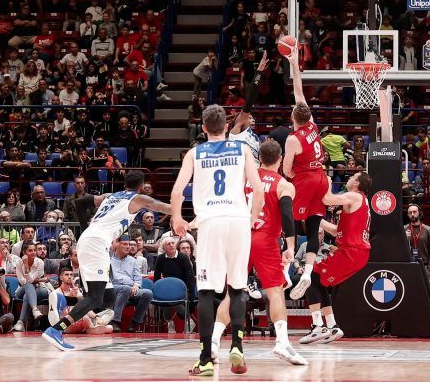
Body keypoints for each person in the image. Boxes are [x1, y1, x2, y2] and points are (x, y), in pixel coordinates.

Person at [170, 104, 263, 376]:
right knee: (237, 288)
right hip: (238, 220)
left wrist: (177, 218)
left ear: (203, 128)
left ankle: (206, 358)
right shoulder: (242, 149)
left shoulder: (195, 153)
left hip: (210, 221)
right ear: (225, 127)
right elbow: (258, 190)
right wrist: (252, 217)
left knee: (207, 293)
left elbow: (178, 191)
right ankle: (237, 345)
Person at [42, 170, 172, 351]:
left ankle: (90, 318)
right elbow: (163, 207)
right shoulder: (138, 199)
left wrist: (83, 227)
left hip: (89, 239)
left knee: (107, 297)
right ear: (141, 187)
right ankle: (56, 330)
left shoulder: (110, 196)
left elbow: (80, 202)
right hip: (96, 243)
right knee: (96, 298)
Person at [210, 140, 306, 366]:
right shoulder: (283, 184)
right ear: (280, 159)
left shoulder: (244, 179)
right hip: (265, 240)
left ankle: (213, 343)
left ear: (259, 158)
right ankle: (282, 342)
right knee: (275, 292)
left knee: (231, 293)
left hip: (239, 237)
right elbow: (287, 217)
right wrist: (290, 247)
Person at [298, 171, 372, 346]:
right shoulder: (358, 202)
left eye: (353, 177)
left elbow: (327, 199)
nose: (349, 178)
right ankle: (331, 326)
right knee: (319, 282)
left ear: (357, 184)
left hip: (352, 252)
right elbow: (337, 231)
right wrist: (315, 219)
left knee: (311, 277)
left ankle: (317, 326)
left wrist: (326, 182)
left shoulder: (354, 196)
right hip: (354, 253)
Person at [281, 49, 330, 302]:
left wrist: (292, 172)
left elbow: (287, 170)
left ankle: (284, 269)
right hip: (322, 177)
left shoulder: (293, 138)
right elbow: (299, 91)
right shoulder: (312, 122)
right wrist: (294, 64)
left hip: (306, 180)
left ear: (293, 117)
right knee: (313, 228)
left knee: (285, 219)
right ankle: (308, 270)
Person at [110, 236, 153, 332]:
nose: (128, 247)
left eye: (129, 244)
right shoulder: (109, 260)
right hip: (114, 288)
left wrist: (136, 286)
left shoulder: (133, 261)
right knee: (125, 288)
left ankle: (134, 322)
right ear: (117, 245)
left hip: (130, 288)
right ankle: (115, 321)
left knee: (147, 293)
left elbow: (138, 278)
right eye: (125, 244)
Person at [405, 204, 430, 271]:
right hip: (408, 265)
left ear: (419, 213)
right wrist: (406, 238)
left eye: (414, 212)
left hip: (424, 265)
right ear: (408, 215)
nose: (412, 214)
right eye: (410, 213)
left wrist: (429, 268)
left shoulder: (428, 230)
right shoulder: (404, 230)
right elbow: (400, 250)